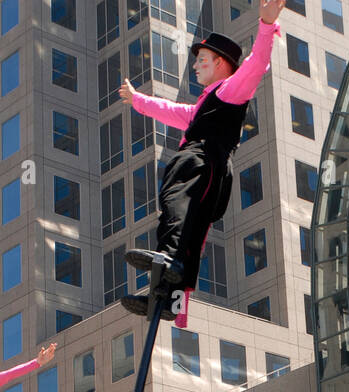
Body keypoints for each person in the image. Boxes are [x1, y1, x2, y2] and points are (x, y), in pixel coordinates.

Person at [117, 0, 285, 326]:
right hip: (212, 169)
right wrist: (138, 101)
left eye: (202, 60)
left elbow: (256, 65)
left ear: (222, 63)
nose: (196, 66)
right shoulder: (205, 103)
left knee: (174, 201)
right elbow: (171, 112)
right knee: (191, 231)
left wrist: (265, 26)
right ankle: (169, 300)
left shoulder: (231, 90)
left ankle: (166, 259)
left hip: (202, 160)